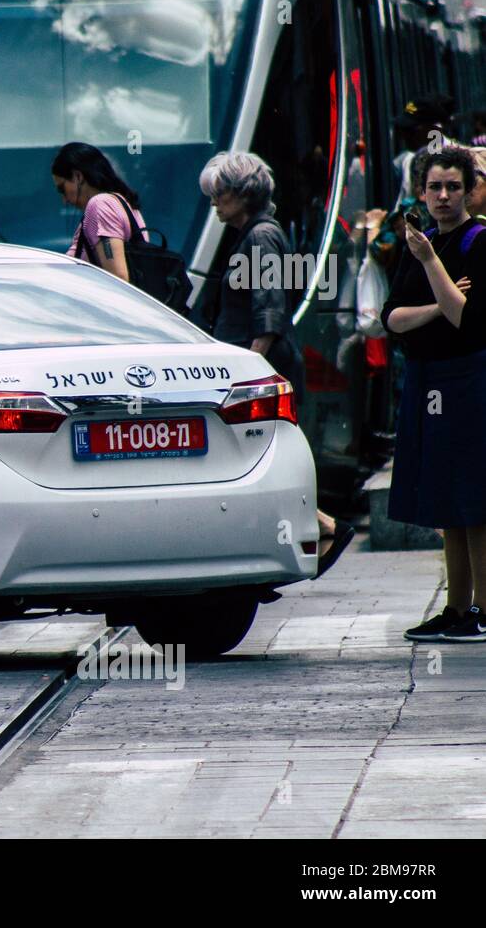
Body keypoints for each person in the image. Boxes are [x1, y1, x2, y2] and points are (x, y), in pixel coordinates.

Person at [197, 151, 355, 578]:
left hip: (261, 369)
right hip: (258, 367)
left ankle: (325, 526)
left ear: (243, 194)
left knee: (266, 454)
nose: (214, 200)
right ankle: (321, 527)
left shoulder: (260, 237)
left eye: (221, 192)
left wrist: (247, 372)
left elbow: (268, 313)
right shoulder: (254, 234)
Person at [381, 146, 486, 642]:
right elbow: (392, 319)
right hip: (429, 381)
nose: (443, 196)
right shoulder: (417, 246)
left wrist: (431, 268)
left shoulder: (478, 241)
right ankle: (457, 608)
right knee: (447, 501)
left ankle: (482, 609)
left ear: (469, 191)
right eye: (435, 187)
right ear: (421, 192)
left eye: (453, 187)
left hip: (470, 380)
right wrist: (433, 304)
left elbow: (467, 316)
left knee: (476, 500)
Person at [51, 142, 145, 284]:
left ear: (77, 177)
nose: (64, 200)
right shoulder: (125, 205)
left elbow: (118, 279)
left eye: (62, 189)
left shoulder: (100, 205)